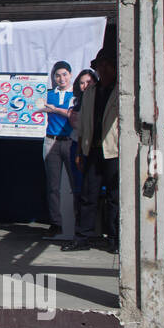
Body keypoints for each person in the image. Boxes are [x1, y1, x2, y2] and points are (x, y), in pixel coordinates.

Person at [63, 50, 119, 253]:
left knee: (115, 196)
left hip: (113, 150)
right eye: (101, 65)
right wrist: (79, 150)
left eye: (108, 65)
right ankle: (82, 237)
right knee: (88, 194)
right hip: (91, 149)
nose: (104, 69)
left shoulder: (121, 90)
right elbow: (84, 124)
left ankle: (114, 238)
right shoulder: (91, 92)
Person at [39, 61, 75, 237]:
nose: (61, 78)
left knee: (75, 182)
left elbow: (74, 116)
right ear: (53, 78)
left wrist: (55, 110)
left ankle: (77, 222)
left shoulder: (76, 95)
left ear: (70, 75)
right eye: (58, 75)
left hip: (69, 141)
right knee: (53, 185)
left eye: (64, 74)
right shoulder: (47, 94)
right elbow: (29, 107)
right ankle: (56, 222)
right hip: (51, 140)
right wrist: (0, 106)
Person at [68, 68, 97, 231]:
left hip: (94, 148)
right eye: (81, 83)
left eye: (88, 82)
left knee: (93, 189)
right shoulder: (76, 104)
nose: (85, 86)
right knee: (79, 189)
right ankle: (80, 228)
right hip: (78, 146)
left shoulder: (100, 100)